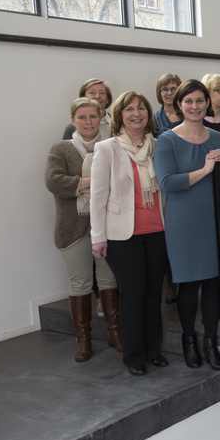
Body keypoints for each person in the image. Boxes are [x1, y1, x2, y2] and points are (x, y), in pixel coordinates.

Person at [153, 79, 220, 370]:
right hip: (185, 223)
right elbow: (167, 182)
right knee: (188, 287)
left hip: (215, 217)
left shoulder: (216, 137)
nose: (195, 106)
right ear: (179, 105)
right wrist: (203, 170)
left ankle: (211, 342)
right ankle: (189, 340)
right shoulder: (167, 140)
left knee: (214, 285)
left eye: (200, 100)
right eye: (188, 101)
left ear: (207, 104)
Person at [90, 91, 168, 375]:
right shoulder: (107, 148)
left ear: (149, 114)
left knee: (153, 296)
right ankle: (134, 357)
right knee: (133, 295)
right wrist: (97, 236)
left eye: (142, 109)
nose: (137, 114)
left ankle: (153, 350)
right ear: (119, 115)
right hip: (123, 236)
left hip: (158, 230)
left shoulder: (159, 146)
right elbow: (97, 197)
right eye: (130, 109)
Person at [47, 98, 120, 363]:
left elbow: (121, 181)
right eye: (82, 117)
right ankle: (84, 340)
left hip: (108, 224)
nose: (88, 121)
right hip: (73, 226)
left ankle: (114, 333)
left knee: (109, 281)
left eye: (93, 116)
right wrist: (92, 182)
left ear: (101, 117)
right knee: (80, 283)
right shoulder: (61, 148)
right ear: (73, 120)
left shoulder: (112, 146)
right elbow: (54, 181)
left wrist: (85, 184)